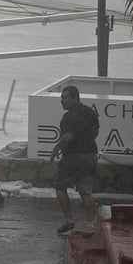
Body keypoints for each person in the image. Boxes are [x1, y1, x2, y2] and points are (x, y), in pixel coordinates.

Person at [50, 85, 100, 235]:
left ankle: (69, 220)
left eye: (65, 98)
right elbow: (96, 131)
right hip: (91, 155)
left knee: (59, 186)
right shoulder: (90, 112)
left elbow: (67, 137)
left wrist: (56, 149)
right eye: (61, 98)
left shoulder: (69, 116)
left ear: (74, 98)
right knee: (85, 190)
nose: (62, 101)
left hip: (73, 156)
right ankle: (91, 223)